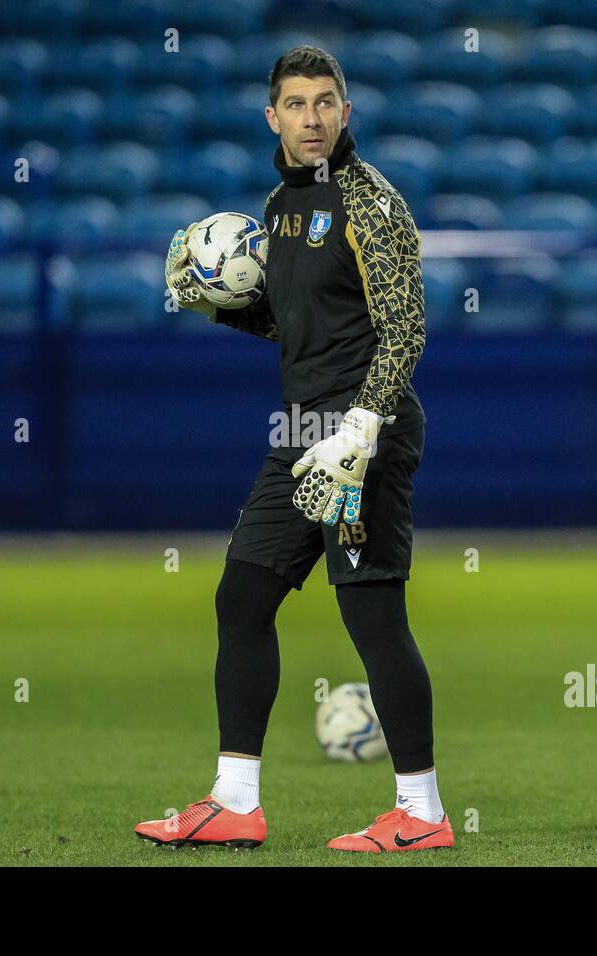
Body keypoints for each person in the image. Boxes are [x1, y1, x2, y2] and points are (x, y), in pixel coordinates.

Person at [135, 45, 450, 853]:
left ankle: (422, 813)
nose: (312, 117)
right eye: (296, 104)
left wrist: (364, 426)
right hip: (303, 432)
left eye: (326, 102)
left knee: (373, 618)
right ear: (272, 117)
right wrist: (217, 304)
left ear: (347, 112)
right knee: (241, 598)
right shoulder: (278, 206)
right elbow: (298, 325)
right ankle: (234, 800)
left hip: (361, 433)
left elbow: (405, 325)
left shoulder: (369, 202)